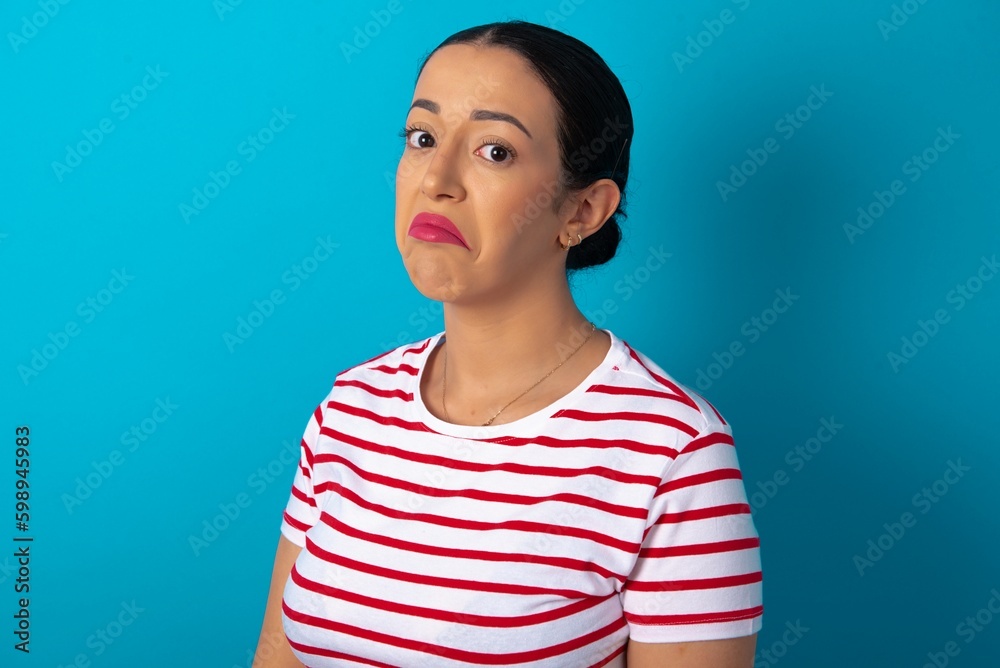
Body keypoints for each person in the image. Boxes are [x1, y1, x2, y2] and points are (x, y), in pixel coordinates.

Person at [254, 19, 762, 667]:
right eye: (423, 136)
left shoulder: (673, 454)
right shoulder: (349, 410)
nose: (436, 178)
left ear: (583, 211)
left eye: (495, 151)